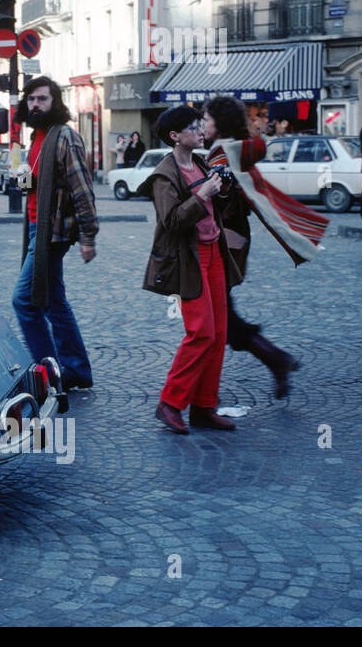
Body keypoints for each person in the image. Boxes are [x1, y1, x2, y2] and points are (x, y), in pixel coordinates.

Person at [202, 95, 328, 397]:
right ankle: (274, 361)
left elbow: (222, 201)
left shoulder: (222, 153)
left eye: (206, 119)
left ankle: (203, 393)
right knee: (221, 318)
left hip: (223, 244)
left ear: (219, 123)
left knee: (215, 320)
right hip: (234, 241)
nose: (202, 125)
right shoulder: (234, 149)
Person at [139, 106, 242, 434]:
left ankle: (203, 407)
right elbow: (172, 222)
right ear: (175, 136)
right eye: (193, 127)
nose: (201, 131)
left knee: (219, 334)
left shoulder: (200, 162)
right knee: (201, 333)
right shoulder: (164, 175)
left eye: (201, 125)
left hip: (214, 253)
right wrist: (204, 194)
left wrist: (222, 191)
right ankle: (169, 403)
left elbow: (215, 208)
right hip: (189, 258)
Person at [11, 77, 99, 393]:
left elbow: (83, 189)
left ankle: (48, 372)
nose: (36, 105)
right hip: (37, 228)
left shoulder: (65, 137)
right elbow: (27, 189)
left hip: (53, 233)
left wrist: (89, 237)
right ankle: (75, 369)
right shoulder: (32, 139)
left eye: (42, 99)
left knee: (23, 301)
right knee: (53, 303)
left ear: (55, 102)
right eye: (31, 99)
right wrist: (17, 166)